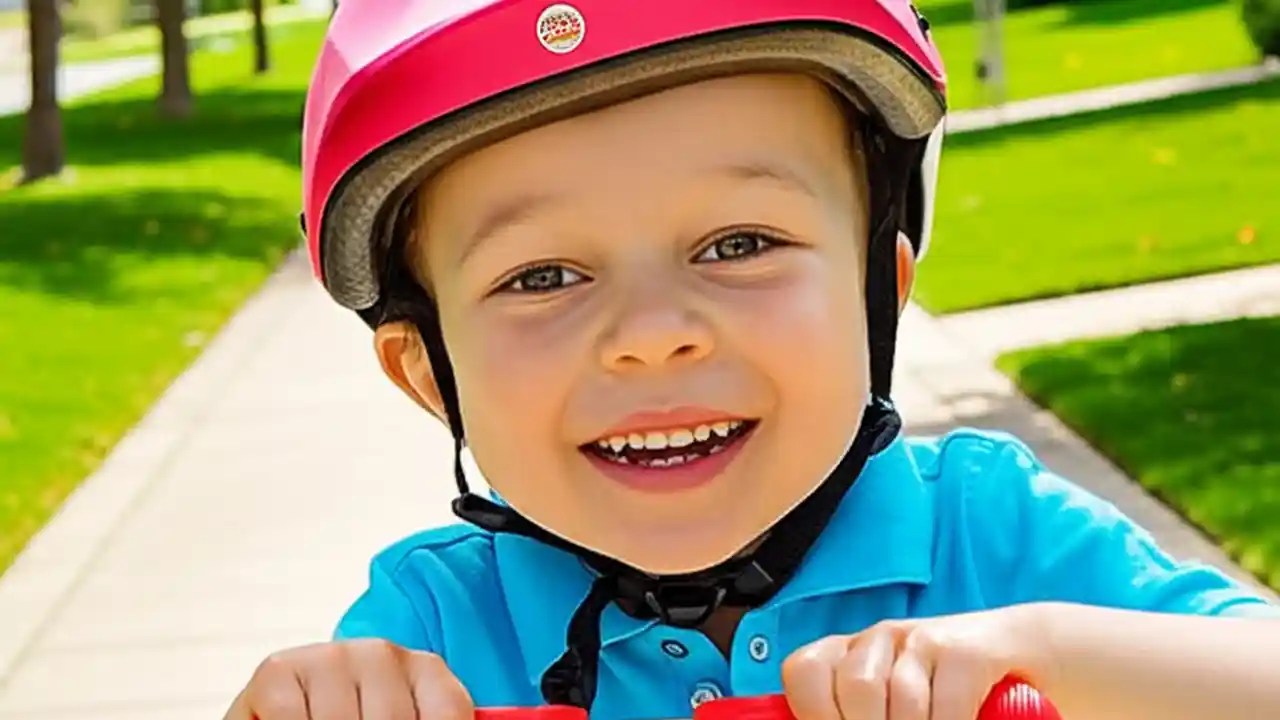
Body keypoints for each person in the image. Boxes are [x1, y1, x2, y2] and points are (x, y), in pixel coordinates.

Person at [224, 1, 1280, 718]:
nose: (648, 334)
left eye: (737, 246)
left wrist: (1050, 653)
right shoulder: (441, 629)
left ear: (881, 294)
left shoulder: (983, 532)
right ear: (426, 374)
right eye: (541, 276)